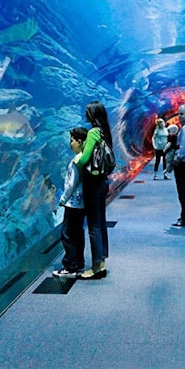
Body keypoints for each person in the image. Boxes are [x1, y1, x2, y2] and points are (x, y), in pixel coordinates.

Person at [76, 100, 113, 279]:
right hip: (103, 182)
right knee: (101, 223)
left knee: (93, 226)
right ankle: (102, 262)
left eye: (87, 112)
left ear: (92, 114)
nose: (85, 115)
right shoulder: (105, 132)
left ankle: (96, 267)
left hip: (93, 183)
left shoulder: (93, 133)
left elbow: (84, 159)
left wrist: (76, 160)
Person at [53, 127, 89, 279]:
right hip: (81, 202)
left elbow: (71, 184)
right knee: (78, 232)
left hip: (73, 202)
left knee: (67, 233)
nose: (70, 143)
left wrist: (62, 199)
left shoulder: (76, 161)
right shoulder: (85, 157)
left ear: (79, 142)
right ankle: (78, 262)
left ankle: (70, 266)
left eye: (72, 140)